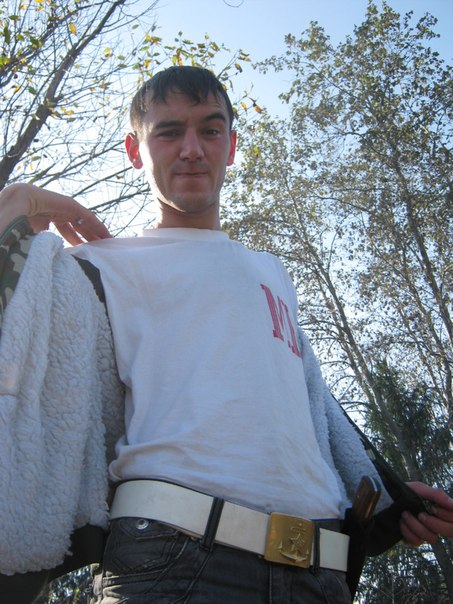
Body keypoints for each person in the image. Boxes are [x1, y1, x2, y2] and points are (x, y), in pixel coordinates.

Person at [0, 66, 452, 604]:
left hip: (321, 573)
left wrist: (386, 495)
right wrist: (17, 201)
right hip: (171, 561)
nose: (192, 149)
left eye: (210, 130)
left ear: (231, 146)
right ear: (135, 150)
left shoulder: (272, 272)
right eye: (169, 132)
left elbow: (313, 413)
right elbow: (16, 338)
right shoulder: (99, 267)